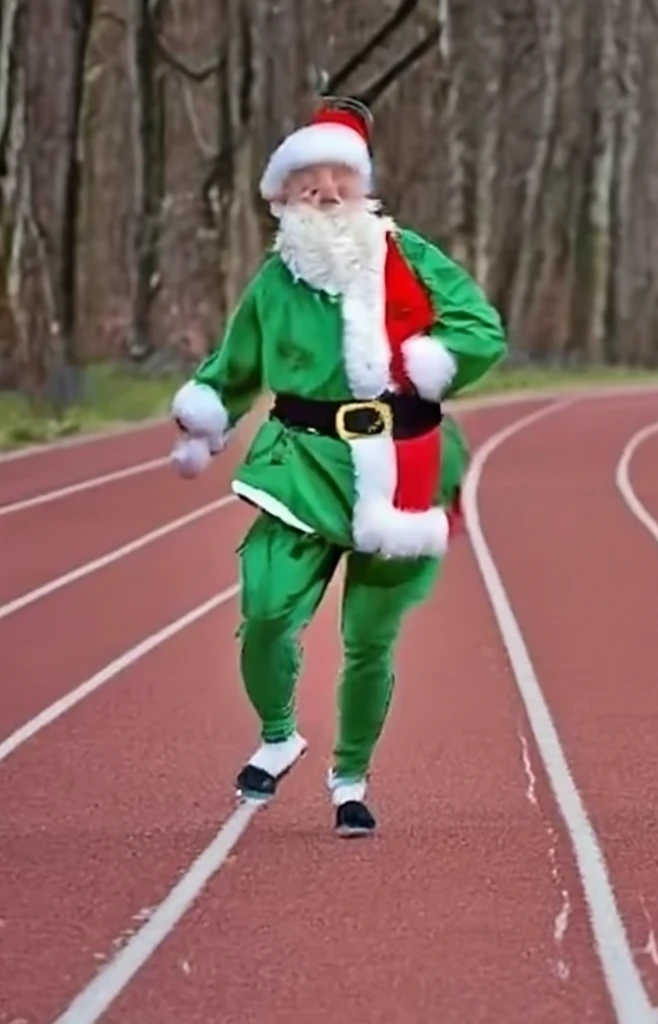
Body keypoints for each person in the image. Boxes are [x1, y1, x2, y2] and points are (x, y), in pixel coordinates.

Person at [168, 97, 506, 836]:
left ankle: (350, 779)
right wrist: (205, 418)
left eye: (339, 178)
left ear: (362, 187)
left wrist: (432, 361)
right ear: (282, 198)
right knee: (266, 608)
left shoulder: (408, 255)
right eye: (306, 181)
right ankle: (279, 730)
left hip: (404, 464)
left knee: (371, 639)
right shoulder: (273, 282)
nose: (324, 191)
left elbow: (480, 328)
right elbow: (234, 369)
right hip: (299, 462)